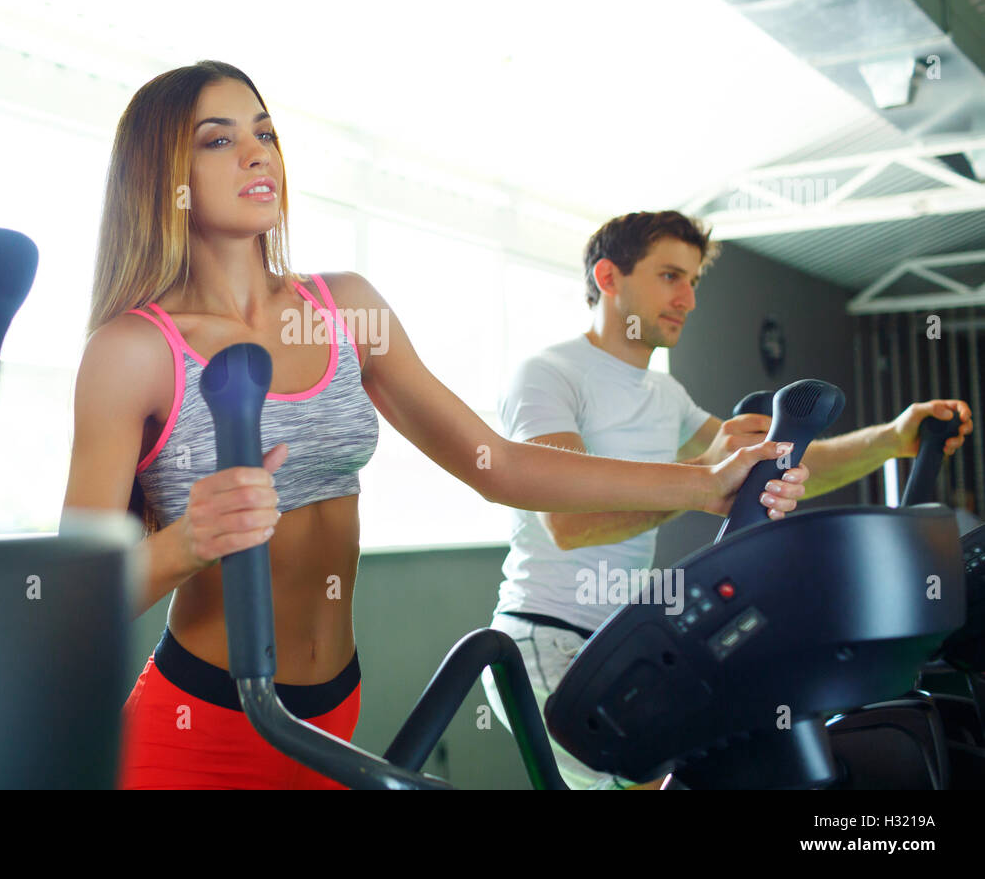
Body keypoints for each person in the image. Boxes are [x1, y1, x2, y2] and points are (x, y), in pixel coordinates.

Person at [61, 64, 808, 790]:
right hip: (201, 722)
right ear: (164, 173)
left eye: (265, 131)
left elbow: (499, 465)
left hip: (328, 716)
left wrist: (704, 485)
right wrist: (189, 539)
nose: (259, 152)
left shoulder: (347, 308)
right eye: (218, 139)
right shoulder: (134, 352)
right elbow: (75, 602)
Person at [481, 209, 976, 790]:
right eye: (670, 276)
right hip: (547, 634)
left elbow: (771, 469)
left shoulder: (665, 392)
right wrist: (702, 474)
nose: (687, 299)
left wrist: (892, 438)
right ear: (609, 277)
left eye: (693, 281)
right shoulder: (550, 373)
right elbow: (569, 522)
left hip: (626, 640)